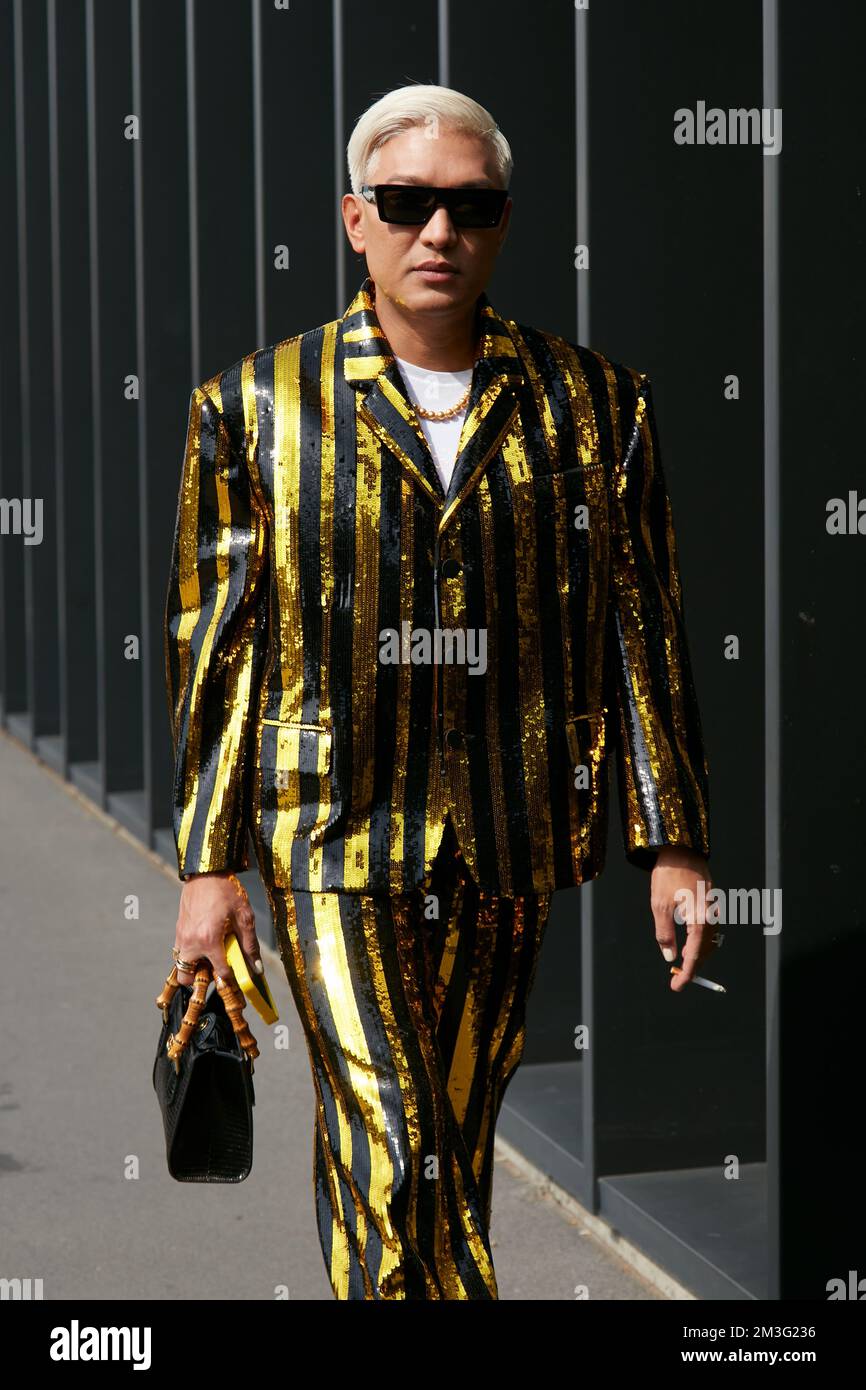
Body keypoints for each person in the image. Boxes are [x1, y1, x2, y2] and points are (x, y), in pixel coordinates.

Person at [163, 83, 714, 1300]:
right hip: (329, 838)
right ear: (354, 219)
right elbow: (220, 648)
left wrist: (669, 838)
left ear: (502, 223)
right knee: (389, 1140)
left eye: (467, 208)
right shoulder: (254, 408)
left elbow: (642, 627)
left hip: (512, 836)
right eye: (407, 204)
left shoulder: (594, 406)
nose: (436, 234)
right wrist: (209, 865)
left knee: (446, 1158)